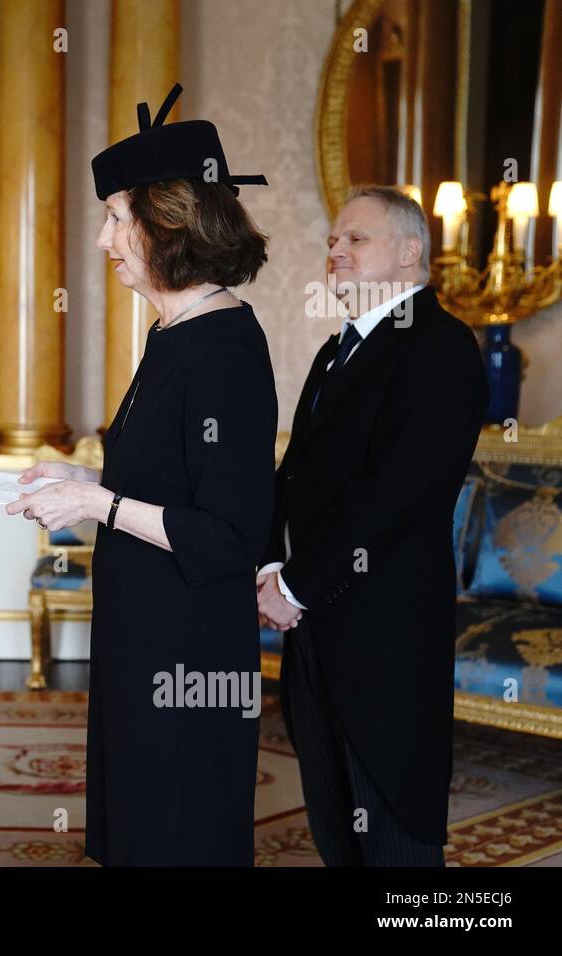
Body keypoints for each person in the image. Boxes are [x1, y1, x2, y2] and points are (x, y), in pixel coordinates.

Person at [8, 84, 276, 865]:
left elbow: (227, 535)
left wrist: (95, 499)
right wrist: (80, 473)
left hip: (188, 650)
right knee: (136, 823)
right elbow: (166, 478)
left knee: (176, 828)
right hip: (144, 629)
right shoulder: (175, 334)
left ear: (168, 225)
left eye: (116, 217)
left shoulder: (222, 348)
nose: (103, 240)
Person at [257, 185, 487, 866]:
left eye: (355, 239)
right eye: (332, 240)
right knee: (335, 831)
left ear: (410, 253)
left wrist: (295, 585)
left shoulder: (441, 348)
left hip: (385, 636)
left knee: (395, 842)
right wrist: (271, 565)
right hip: (317, 632)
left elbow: (396, 495)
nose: (336, 250)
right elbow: (291, 475)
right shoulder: (338, 350)